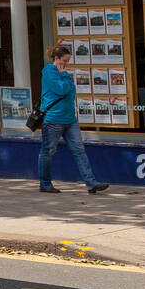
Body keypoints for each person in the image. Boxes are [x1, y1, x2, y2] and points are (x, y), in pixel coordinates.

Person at [38, 44, 109, 194]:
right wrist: (64, 76)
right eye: (64, 60)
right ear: (56, 59)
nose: (66, 64)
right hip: (53, 119)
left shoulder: (63, 73)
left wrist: (65, 78)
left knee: (79, 150)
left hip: (70, 119)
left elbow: (71, 91)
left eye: (68, 61)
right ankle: (45, 183)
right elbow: (62, 89)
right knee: (48, 151)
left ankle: (91, 183)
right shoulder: (49, 71)